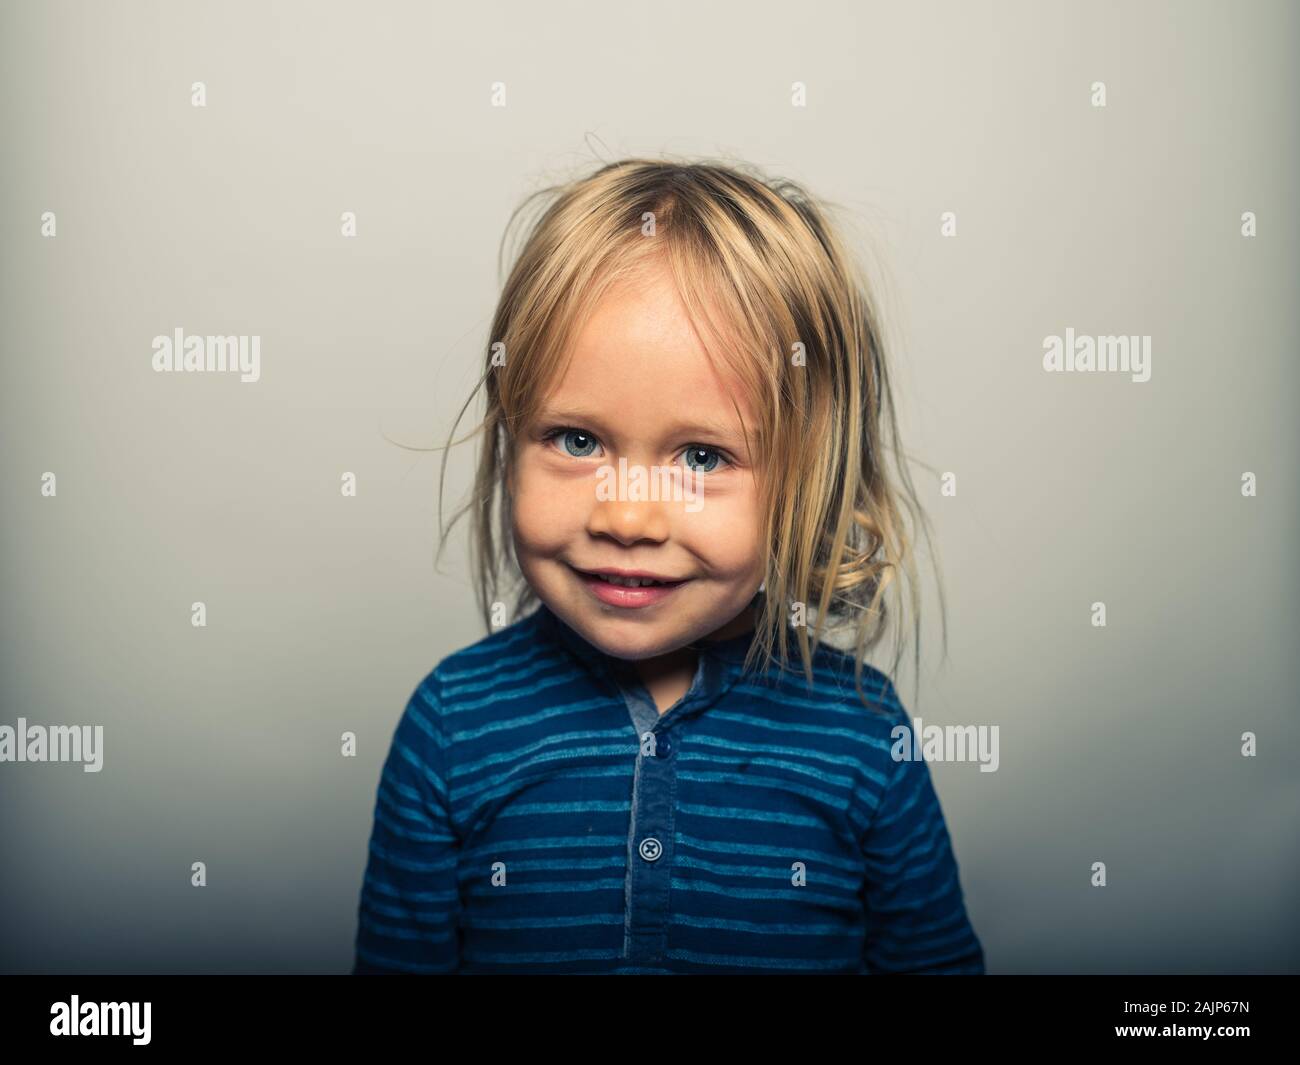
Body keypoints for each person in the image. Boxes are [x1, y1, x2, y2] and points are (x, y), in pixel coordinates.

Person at [352, 158, 984, 974]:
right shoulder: (452, 727)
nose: (626, 516)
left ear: (812, 474)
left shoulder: (863, 739)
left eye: (701, 456)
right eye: (577, 440)